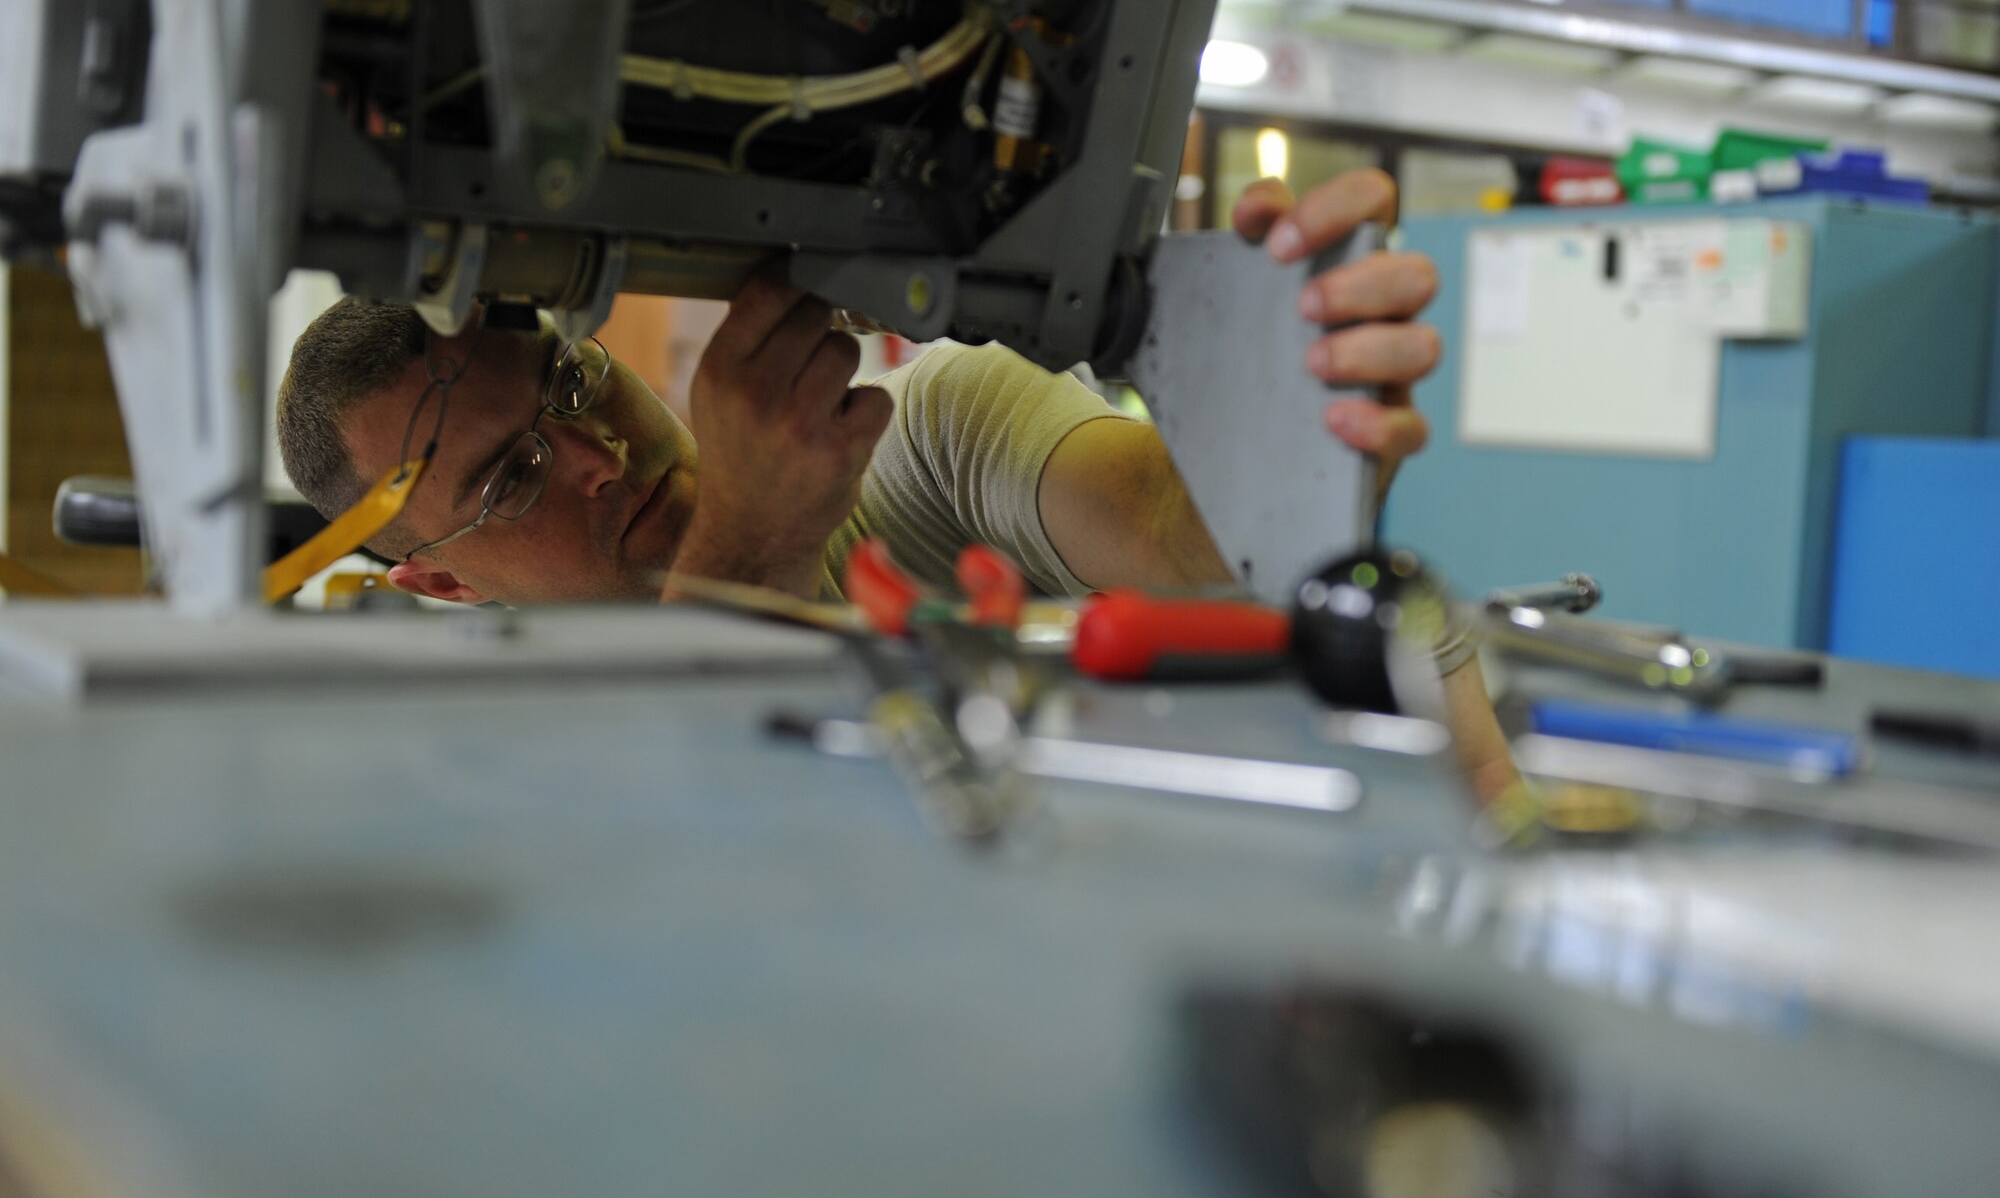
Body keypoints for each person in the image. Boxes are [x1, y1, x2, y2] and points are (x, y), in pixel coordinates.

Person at [277, 169, 1511, 772]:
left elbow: (1199, 544)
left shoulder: (920, 428)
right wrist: (749, 548)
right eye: (512, 475)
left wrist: (1278, 421)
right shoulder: (492, 761)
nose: (597, 459)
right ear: (436, 585)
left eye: (573, 384)